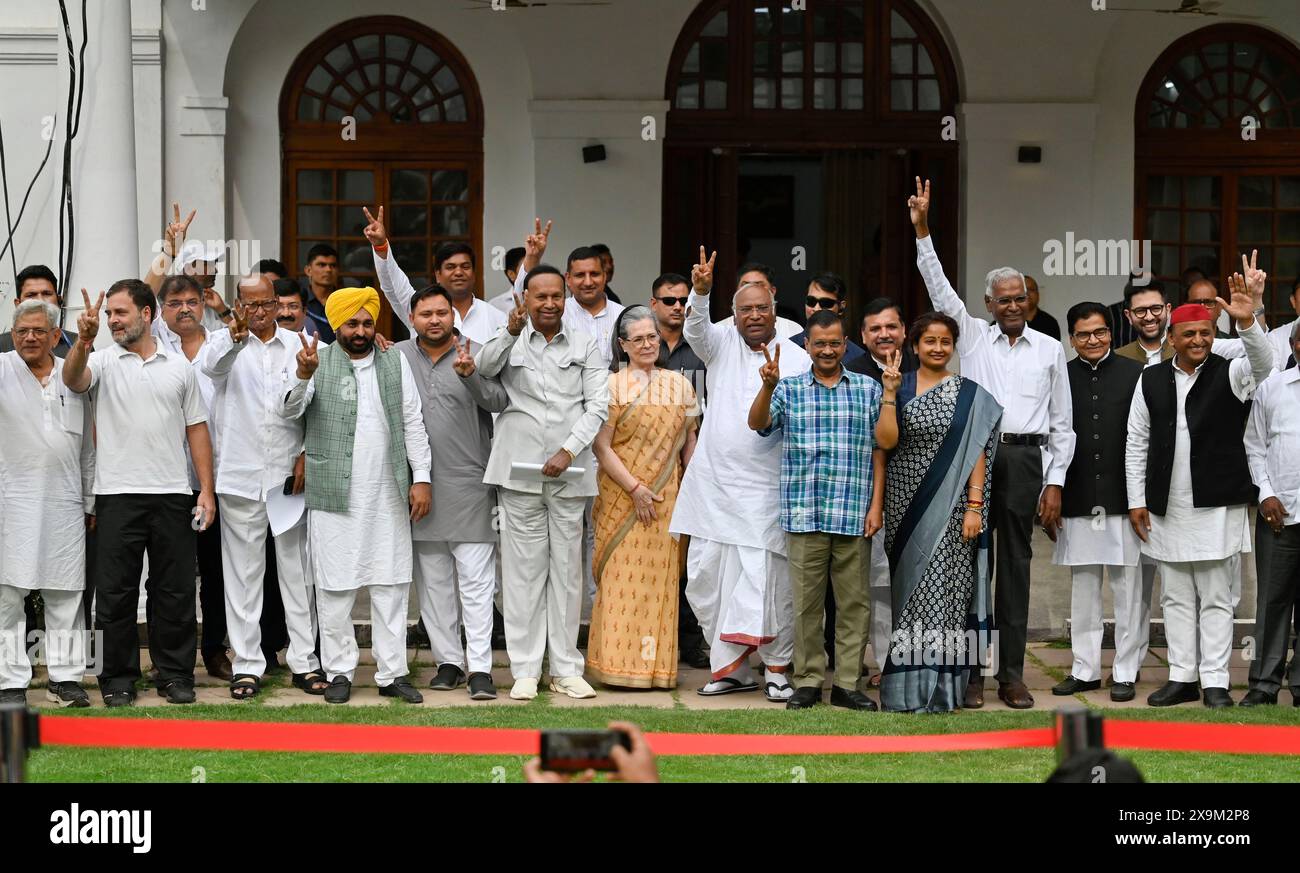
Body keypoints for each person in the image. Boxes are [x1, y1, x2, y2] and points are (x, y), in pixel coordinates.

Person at [909, 178, 1074, 710]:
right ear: (986, 303)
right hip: (973, 458)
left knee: (1016, 570)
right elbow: (938, 289)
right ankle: (971, 673)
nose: (1012, 305)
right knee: (969, 566)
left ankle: (1011, 675)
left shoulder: (1049, 349)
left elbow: (1062, 423)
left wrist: (1055, 481)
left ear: (1029, 300)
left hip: (1026, 457)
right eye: (1002, 299)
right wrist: (922, 231)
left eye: (1019, 298)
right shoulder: (972, 335)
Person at [62, 280, 215, 707]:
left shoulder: (179, 367)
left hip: (171, 493)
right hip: (115, 494)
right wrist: (85, 341)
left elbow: (197, 429)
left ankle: (175, 676)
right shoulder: (103, 361)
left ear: (146, 315)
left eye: (120, 313)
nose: (112, 320)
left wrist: (206, 491)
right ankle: (117, 678)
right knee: (115, 593)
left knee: (175, 591)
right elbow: (73, 379)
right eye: (109, 313)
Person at [1126, 276, 1276, 708]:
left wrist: (1248, 323)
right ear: (1171, 337)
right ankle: (1181, 676)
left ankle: (1215, 681)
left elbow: (1265, 365)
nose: (1197, 340)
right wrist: (1137, 499)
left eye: (1205, 333)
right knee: (1173, 594)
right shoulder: (1150, 379)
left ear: (1215, 336)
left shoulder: (1232, 371)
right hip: (1167, 506)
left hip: (1216, 503)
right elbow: (1137, 440)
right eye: (1188, 334)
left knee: (1214, 595)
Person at [670, 248, 812, 702]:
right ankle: (730, 668)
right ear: (733, 315)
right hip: (714, 487)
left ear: (775, 309)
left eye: (761, 308)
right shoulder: (719, 343)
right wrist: (701, 291)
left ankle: (776, 669)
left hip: (767, 490)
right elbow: (693, 327)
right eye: (744, 309)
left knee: (769, 584)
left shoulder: (796, 356)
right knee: (707, 577)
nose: (753, 316)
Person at [280, 286, 432, 705]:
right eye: (353, 323)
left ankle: (392, 673)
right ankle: (340, 671)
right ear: (336, 324)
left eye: (368, 323)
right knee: (335, 587)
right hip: (334, 493)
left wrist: (421, 477)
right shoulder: (317, 360)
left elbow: (412, 422)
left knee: (390, 583)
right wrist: (303, 375)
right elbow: (289, 410)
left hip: (388, 492)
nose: (361, 331)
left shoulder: (394, 361)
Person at [475, 266, 609, 701]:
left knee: (567, 575)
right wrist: (509, 333)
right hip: (518, 471)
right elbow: (482, 369)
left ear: (565, 295)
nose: (549, 304)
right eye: (540, 298)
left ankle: (567, 668)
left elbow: (598, 405)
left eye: (556, 296)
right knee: (522, 575)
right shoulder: (508, 334)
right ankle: (526, 670)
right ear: (526, 300)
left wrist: (569, 450)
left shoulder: (586, 342)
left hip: (569, 473)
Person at [199, 274, 325, 699]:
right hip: (238, 474)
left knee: (296, 572)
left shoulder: (303, 347)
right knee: (243, 575)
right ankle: (248, 664)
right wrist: (234, 340)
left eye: (266, 304)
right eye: (249, 305)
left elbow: (303, 410)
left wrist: (306, 376)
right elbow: (212, 370)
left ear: (279, 305)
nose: (258, 312)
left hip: (286, 477)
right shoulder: (220, 343)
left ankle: (304, 662)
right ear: (237, 304)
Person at [750, 309, 883, 710]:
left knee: (854, 603)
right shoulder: (788, 389)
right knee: (806, 604)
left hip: (853, 510)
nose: (827, 350)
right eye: (819, 343)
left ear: (846, 345)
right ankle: (807, 679)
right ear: (806, 345)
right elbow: (758, 424)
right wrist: (767, 388)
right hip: (804, 511)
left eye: (834, 343)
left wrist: (875, 506)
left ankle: (846, 682)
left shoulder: (867, 389)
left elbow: (881, 449)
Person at [874, 313, 1001, 713]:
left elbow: (977, 447)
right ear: (914, 346)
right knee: (909, 596)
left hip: (955, 508)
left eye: (945, 341)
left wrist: (975, 506)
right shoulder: (899, 385)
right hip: (904, 505)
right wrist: (890, 394)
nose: (937, 348)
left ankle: (942, 689)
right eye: (929, 341)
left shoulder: (970, 394)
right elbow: (886, 441)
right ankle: (906, 690)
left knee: (946, 595)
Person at [396, 284, 508, 700]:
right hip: (417, 487)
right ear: (413, 319)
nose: (435, 320)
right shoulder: (398, 357)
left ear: (453, 316)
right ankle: (448, 662)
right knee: (434, 583)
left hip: (470, 484)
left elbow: (500, 400)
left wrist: (472, 375)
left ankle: (480, 667)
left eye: (442, 312)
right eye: (426, 314)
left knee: (477, 583)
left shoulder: (478, 351)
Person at [587, 307, 699, 689]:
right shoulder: (611, 386)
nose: (648, 344)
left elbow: (690, 444)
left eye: (652, 337)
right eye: (638, 339)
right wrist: (635, 489)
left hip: (668, 500)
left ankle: (656, 670)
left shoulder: (680, 385)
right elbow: (601, 447)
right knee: (619, 582)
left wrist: (690, 491)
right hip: (621, 499)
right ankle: (615, 667)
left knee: (660, 585)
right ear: (623, 345)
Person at [1048, 303, 1147, 702]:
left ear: (1111, 333)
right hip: (1077, 494)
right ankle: (1085, 670)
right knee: (1084, 587)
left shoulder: (1136, 374)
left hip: (1124, 496)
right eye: (1084, 334)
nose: (1094, 340)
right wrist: (1048, 489)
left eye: (1101, 332)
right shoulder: (1060, 376)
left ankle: (1125, 670)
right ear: (1071, 338)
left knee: (1128, 590)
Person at [0, 300, 94, 707]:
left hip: (65, 499)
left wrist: (90, 501)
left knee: (66, 592)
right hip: (10, 500)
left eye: (39, 331)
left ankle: (65, 679)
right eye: (22, 331)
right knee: (7, 594)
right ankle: (9, 681)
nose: (30, 338)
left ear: (57, 335)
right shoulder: (2, 368)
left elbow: (88, 447)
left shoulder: (74, 377)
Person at [151, 274, 231, 682]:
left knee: (215, 571)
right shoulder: (153, 345)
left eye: (192, 301)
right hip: (167, 480)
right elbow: (139, 296)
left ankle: (215, 650)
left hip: (214, 480)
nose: (184, 308)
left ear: (204, 304)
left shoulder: (222, 342)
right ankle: (172, 660)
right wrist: (167, 249)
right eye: (175, 301)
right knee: (170, 574)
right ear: (161, 309)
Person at [845, 296, 919, 683]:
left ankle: (910, 661)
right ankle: (876, 661)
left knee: (910, 578)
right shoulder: (850, 372)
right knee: (871, 582)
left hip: (917, 488)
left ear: (904, 331)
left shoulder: (924, 367)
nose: (884, 335)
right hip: (865, 492)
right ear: (863, 336)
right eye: (875, 329)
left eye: (891, 327)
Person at [649, 271, 710, 670]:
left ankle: (689, 640)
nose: (677, 307)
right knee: (651, 555)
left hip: (696, 463)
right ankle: (650, 634)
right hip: (645, 466)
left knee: (690, 557)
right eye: (668, 300)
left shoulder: (704, 347)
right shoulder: (639, 345)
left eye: (683, 300)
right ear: (653, 304)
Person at [1241, 319, 1300, 707]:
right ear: (1296, 345)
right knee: (1272, 602)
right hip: (1281, 515)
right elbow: (1255, 446)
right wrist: (1265, 494)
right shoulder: (1272, 388)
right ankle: (1263, 684)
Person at [363, 207, 506, 345]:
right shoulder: (419, 308)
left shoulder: (496, 317)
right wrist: (381, 246)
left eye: (465, 266)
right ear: (438, 274)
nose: (458, 272)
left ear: (474, 274)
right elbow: (392, 284)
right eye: (450, 267)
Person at [787, 273, 867, 364]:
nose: (816, 308)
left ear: (841, 307)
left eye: (826, 303)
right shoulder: (787, 348)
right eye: (811, 301)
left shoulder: (857, 357)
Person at [0, 265, 78, 355]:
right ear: (18, 304)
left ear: (59, 300)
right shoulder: (2, 345)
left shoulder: (78, 344)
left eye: (47, 293)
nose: (40, 300)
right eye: (31, 295)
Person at [1115, 280, 1172, 366]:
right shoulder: (1117, 359)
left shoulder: (1184, 355)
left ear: (1167, 310)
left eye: (1156, 308)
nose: (1149, 317)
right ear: (1129, 316)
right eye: (1140, 311)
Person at [301, 243, 340, 343]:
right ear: (308, 270)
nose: (328, 270)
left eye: (333, 265)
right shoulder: (300, 302)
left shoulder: (345, 301)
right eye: (322, 265)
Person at [488, 246, 528, 314]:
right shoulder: (494, 306)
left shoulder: (546, 302)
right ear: (511, 274)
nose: (534, 272)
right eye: (525, 269)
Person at [1023, 275, 1061, 341]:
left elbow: (1055, 350)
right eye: (1023, 290)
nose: (1027, 293)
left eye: (1031, 290)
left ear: (1038, 294)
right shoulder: (1008, 322)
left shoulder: (1050, 323)